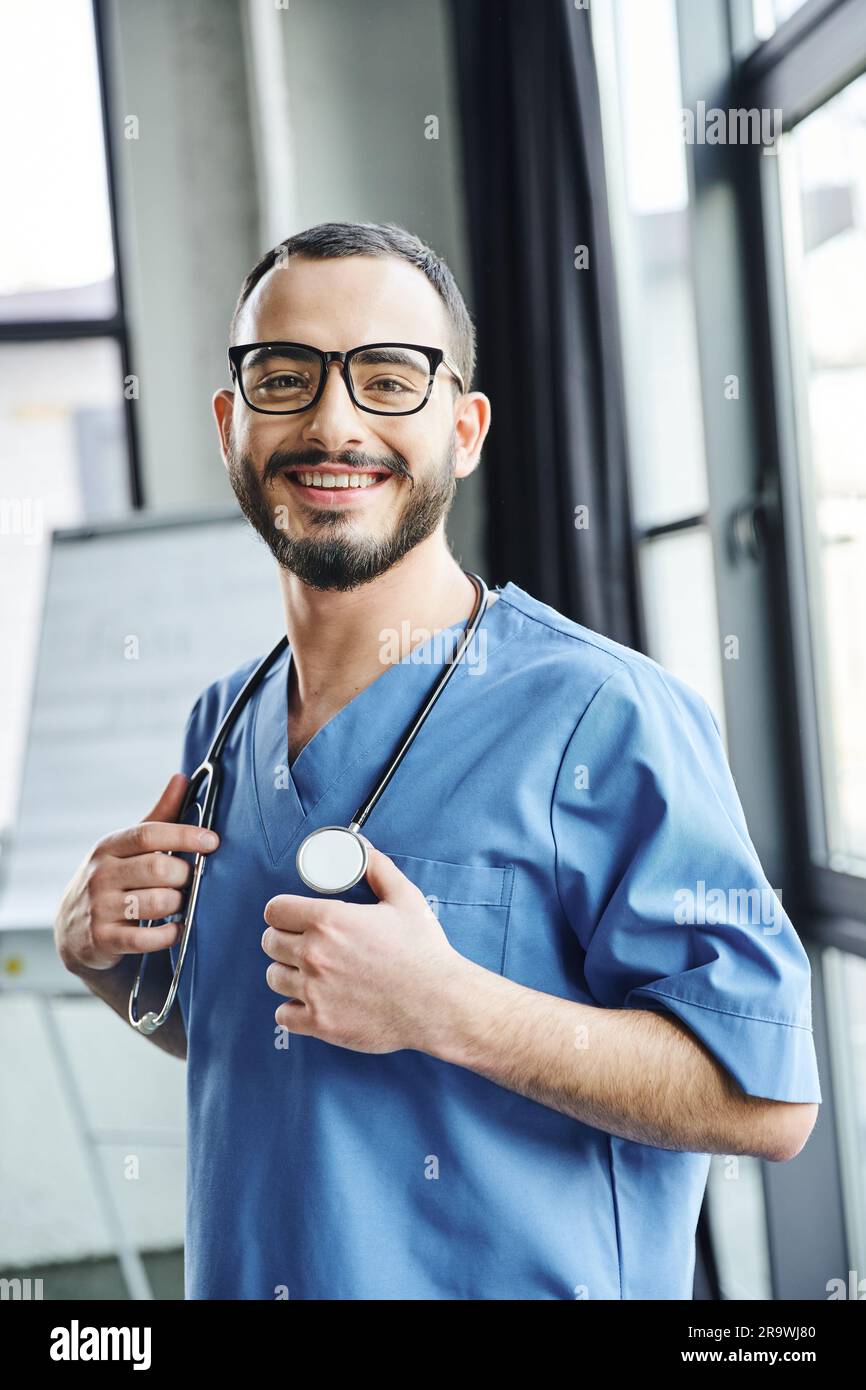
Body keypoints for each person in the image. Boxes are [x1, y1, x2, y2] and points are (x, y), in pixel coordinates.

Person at [54, 221, 821, 1301]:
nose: (332, 422)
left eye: (386, 378)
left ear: (463, 428)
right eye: (285, 378)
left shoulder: (603, 716)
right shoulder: (219, 725)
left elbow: (767, 1101)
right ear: (231, 424)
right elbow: (274, 1052)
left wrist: (451, 1007)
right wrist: (103, 962)